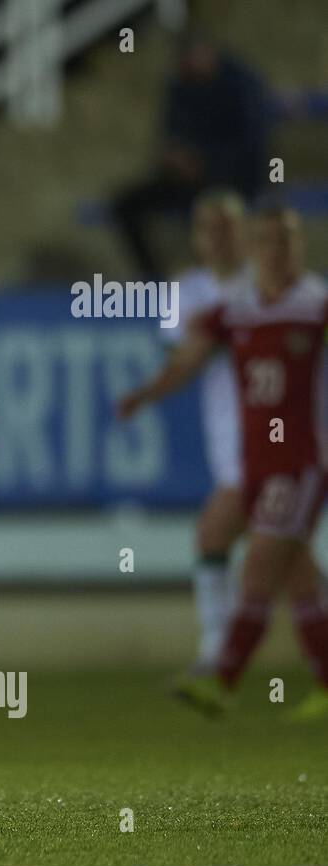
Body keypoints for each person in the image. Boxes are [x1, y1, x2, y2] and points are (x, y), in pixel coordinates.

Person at [117, 205, 328, 721]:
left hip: (300, 462)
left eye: (286, 241)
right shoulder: (236, 309)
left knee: (258, 564)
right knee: (298, 575)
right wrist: (146, 394)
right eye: (267, 242)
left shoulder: (317, 304)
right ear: (253, 250)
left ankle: (221, 679)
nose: (277, 252)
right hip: (252, 463)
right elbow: (188, 359)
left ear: (299, 247)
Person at [165, 190, 250, 677]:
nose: (217, 238)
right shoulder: (188, 290)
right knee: (284, 556)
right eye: (208, 228)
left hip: (273, 437)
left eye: (227, 227)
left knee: (215, 534)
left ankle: (217, 649)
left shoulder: (270, 284)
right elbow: (177, 362)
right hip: (228, 440)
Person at [110, 30, 270, 276]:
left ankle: (220, 276)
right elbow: (169, 134)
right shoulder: (180, 86)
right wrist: (174, 158)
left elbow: (252, 145)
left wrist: (205, 162)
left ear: (208, 52)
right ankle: (153, 280)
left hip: (236, 177)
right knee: (124, 205)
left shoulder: (242, 85)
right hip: (186, 178)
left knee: (203, 207)